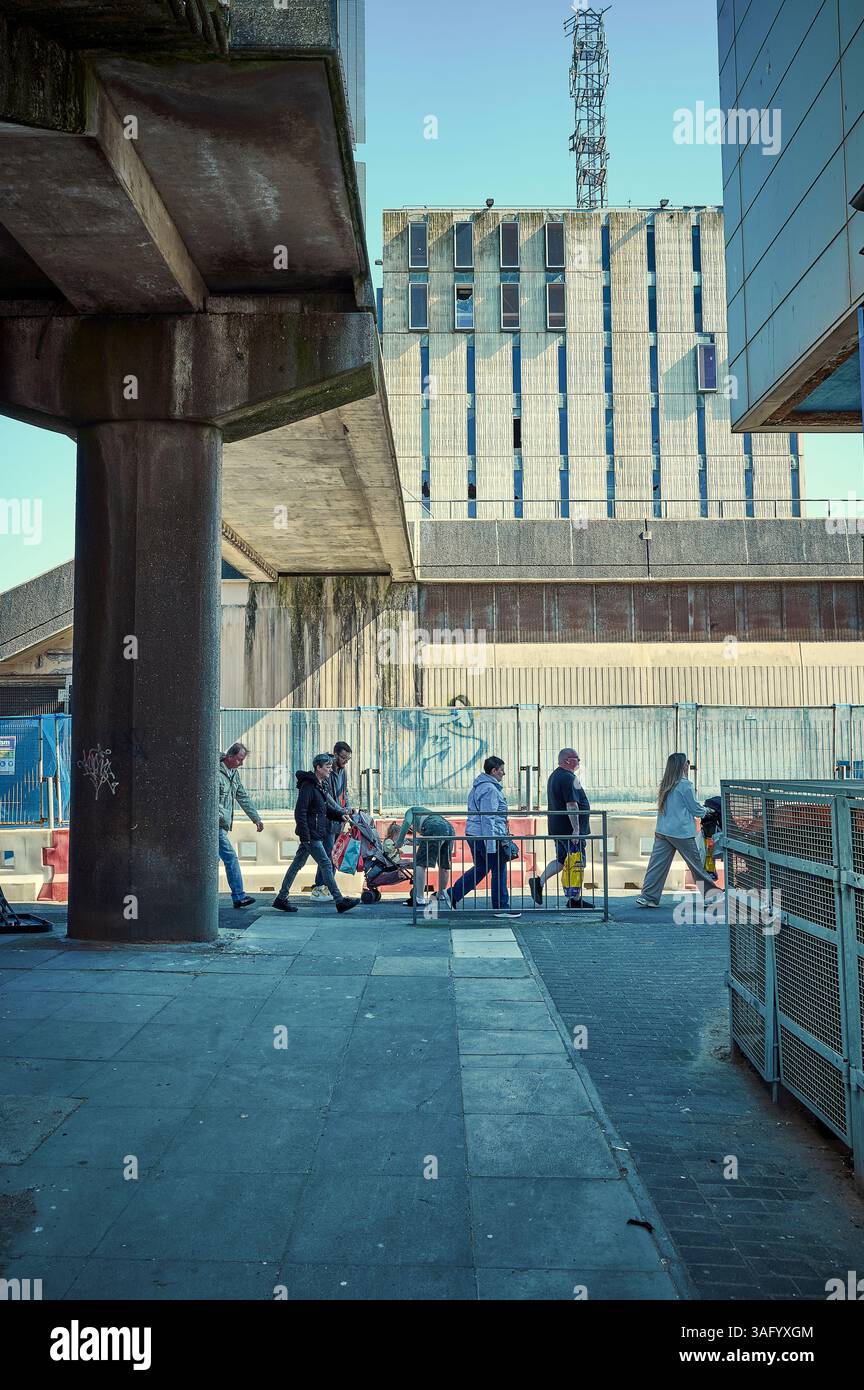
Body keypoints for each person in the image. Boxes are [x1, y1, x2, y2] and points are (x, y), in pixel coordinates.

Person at [273, 754, 360, 914]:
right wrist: (306, 836)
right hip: (311, 835)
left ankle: (281, 898)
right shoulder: (308, 786)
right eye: (327, 767)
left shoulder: (320, 785)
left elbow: (324, 809)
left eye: (330, 766)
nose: (330, 769)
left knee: (296, 865)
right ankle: (339, 901)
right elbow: (300, 812)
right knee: (326, 864)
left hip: (314, 834)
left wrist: (340, 815)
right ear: (318, 768)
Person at [636, 752, 718, 908]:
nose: (688, 764)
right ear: (683, 765)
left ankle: (648, 897)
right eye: (687, 762)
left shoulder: (665, 784)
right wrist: (707, 811)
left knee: (657, 865)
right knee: (695, 865)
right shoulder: (685, 785)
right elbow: (695, 809)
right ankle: (710, 896)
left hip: (662, 830)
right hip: (681, 832)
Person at [529, 749, 592, 909]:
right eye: (577, 758)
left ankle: (539, 882)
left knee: (562, 860)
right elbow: (571, 805)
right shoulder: (568, 778)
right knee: (577, 862)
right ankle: (575, 900)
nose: (579, 761)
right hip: (569, 831)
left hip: (559, 829)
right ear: (567, 760)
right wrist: (576, 830)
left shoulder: (556, 776)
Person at [449, 757, 513, 911]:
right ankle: (501, 907)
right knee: (499, 869)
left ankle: (453, 894)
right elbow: (488, 818)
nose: (503, 773)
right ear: (494, 770)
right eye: (501, 770)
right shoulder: (490, 789)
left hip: (476, 835)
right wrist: (490, 844)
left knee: (481, 868)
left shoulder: (478, 787)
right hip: (488, 836)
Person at [218, 742, 264, 910]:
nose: (241, 763)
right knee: (230, 858)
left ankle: (197, 896)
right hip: (216, 826)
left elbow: (242, 796)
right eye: (239, 759)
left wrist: (256, 818)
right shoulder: (216, 773)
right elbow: (210, 803)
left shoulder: (233, 774)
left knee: (212, 861)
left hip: (222, 826)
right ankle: (239, 896)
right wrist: (221, 816)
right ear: (229, 757)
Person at [389, 807, 455, 909]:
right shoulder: (426, 814)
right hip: (449, 827)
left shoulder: (410, 811)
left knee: (419, 863)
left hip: (434, 827)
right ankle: (442, 894)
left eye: (411, 828)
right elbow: (425, 841)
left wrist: (400, 841)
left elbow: (406, 822)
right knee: (444, 864)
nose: (411, 829)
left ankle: (419, 898)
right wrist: (410, 842)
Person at [311, 741, 353, 900]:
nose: (345, 762)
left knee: (334, 854)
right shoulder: (326, 769)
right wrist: (339, 809)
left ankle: (327, 886)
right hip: (328, 818)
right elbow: (326, 795)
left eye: (348, 759)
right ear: (335, 754)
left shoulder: (343, 771)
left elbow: (344, 791)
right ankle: (320, 886)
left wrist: (347, 807)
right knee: (327, 854)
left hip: (340, 819)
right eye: (343, 758)